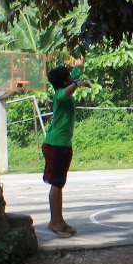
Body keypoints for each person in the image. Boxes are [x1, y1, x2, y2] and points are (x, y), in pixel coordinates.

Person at [42, 63, 90, 237]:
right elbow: (67, 91)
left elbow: (73, 79)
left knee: (59, 183)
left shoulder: (65, 87)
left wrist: (78, 66)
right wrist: (77, 84)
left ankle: (59, 220)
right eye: (69, 77)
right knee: (56, 183)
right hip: (55, 144)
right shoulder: (59, 95)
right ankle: (55, 222)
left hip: (63, 144)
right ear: (64, 82)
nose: (73, 77)